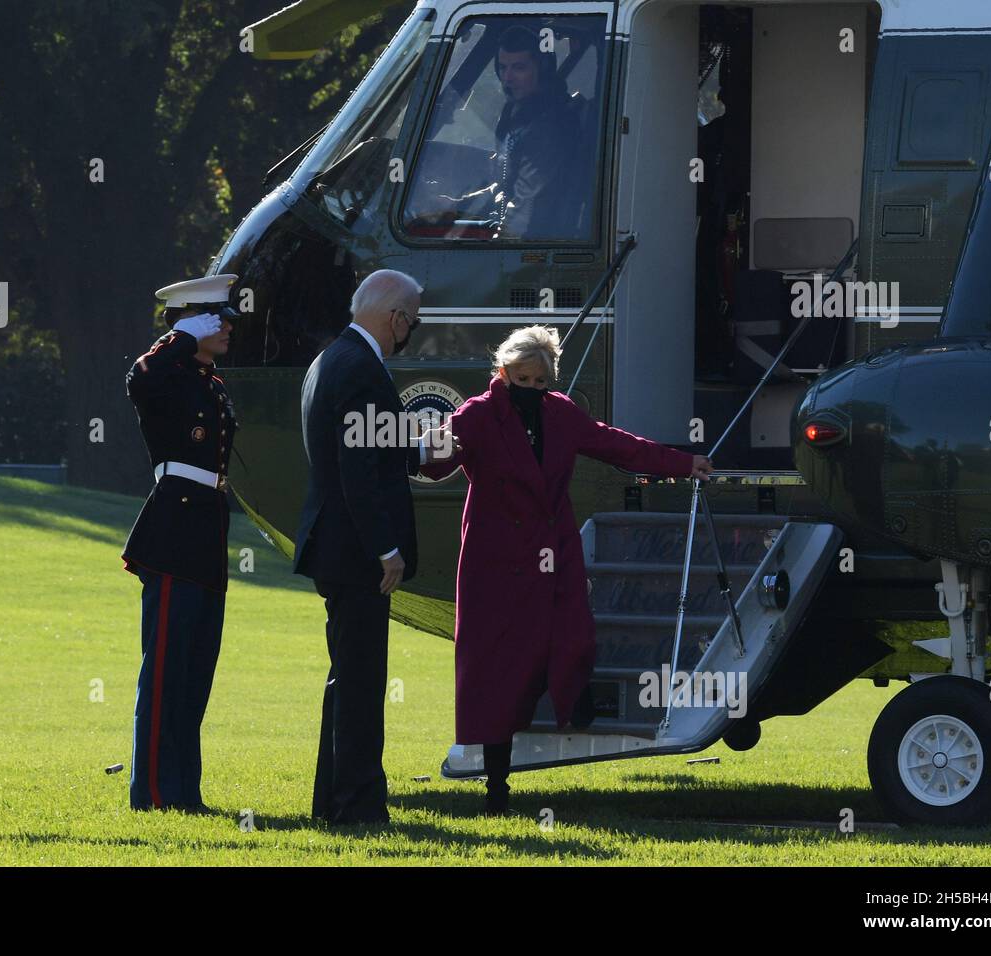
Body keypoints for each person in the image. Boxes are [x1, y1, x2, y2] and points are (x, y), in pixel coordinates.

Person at [421, 326, 713, 814]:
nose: (531, 388)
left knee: (572, 635)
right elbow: (436, 463)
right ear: (503, 373)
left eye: (539, 381)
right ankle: (497, 787)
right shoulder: (476, 415)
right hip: (494, 561)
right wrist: (423, 447)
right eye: (522, 378)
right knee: (495, 671)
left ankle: (568, 700)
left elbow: (618, 446)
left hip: (553, 551)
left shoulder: (560, 412)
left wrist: (684, 464)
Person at [293, 269, 431, 826]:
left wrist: (429, 446)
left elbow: (370, 449)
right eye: (412, 323)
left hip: (338, 547)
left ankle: (333, 800)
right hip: (356, 553)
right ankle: (358, 805)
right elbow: (358, 474)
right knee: (361, 682)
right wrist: (385, 549)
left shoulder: (334, 358)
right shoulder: (361, 369)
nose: (410, 333)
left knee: (346, 677)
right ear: (396, 318)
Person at [121, 273, 240, 812]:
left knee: (195, 673)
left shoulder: (207, 383)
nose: (230, 326)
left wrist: (191, 347)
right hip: (173, 531)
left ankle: (183, 792)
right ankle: (152, 794)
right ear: (195, 320)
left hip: (207, 531)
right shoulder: (165, 373)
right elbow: (139, 378)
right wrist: (180, 338)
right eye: (219, 317)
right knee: (166, 670)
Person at [416, 24, 580, 239]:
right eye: (503, 68)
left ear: (543, 69)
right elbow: (506, 185)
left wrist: (501, 243)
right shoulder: (521, 113)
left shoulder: (550, 125)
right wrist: (455, 205)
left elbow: (526, 203)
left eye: (519, 68)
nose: (508, 78)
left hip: (529, 242)